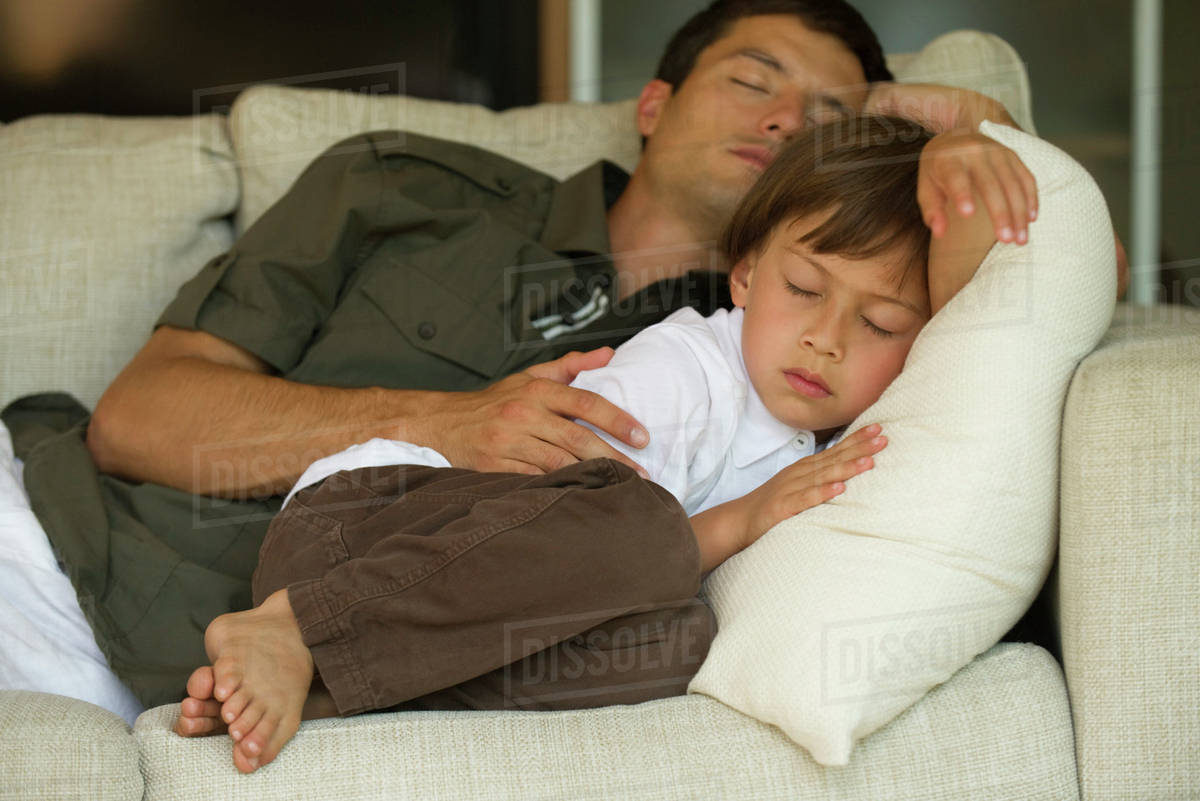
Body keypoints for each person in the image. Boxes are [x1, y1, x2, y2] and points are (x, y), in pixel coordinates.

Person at [0, 0, 1053, 722]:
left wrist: (961, 131)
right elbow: (136, 416)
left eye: (831, 118)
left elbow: (1040, 262)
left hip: (240, 678)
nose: (787, 120)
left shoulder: (795, 348)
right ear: (654, 106)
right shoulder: (407, 188)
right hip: (51, 550)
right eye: (752, 82)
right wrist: (437, 422)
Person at [170, 112, 1030, 773]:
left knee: (680, 642)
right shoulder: (689, 366)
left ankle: (330, 685)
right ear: (745, 276)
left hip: (434, 609)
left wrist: (966, 142)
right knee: (646, 533)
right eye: (805, 289)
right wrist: (746, 517)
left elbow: (1026, 271)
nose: (827, 338)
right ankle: (294, 626)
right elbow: (600, 528)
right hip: (362, 528)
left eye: (880, 322)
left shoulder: (832, 428)